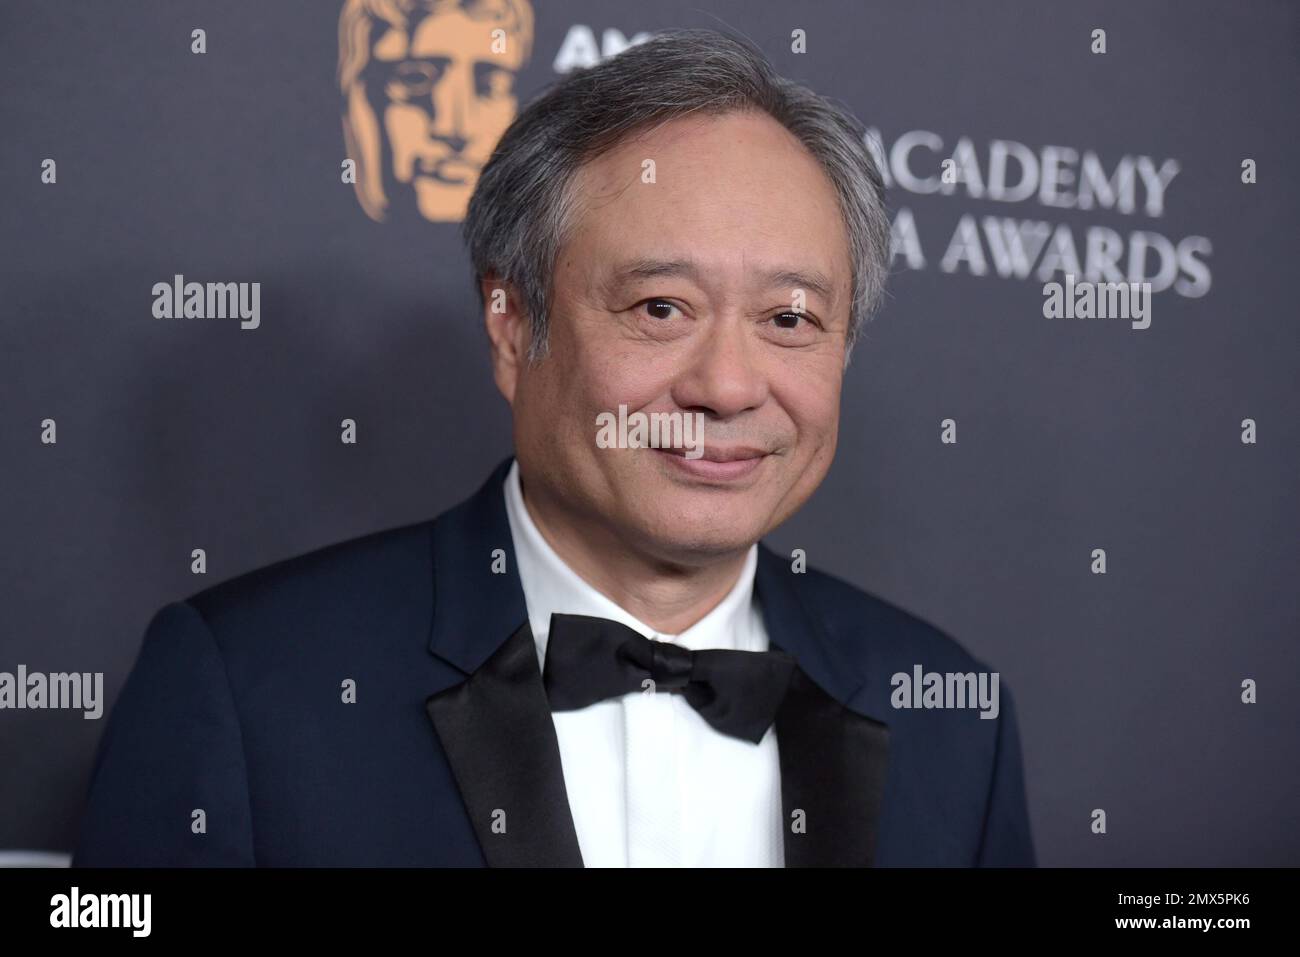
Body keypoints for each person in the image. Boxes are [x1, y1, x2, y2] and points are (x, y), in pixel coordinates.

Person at [74, 28, 1034, 867]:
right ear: (510, 328)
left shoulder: (952, 717)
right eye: (661, 308)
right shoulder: (245, 687)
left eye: (790, 318)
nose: (730, 386)